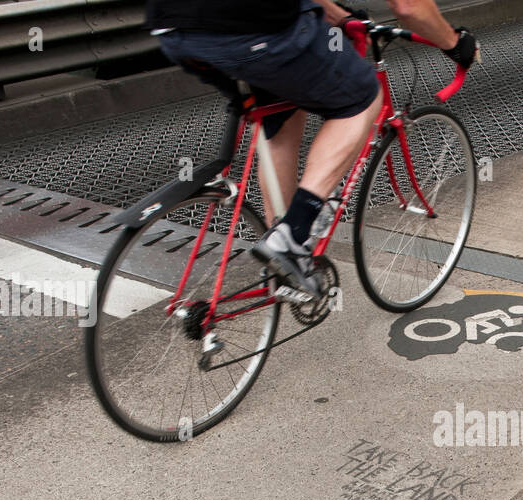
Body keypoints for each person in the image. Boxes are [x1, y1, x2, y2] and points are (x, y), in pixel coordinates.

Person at [144, 1, 479, 295]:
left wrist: (338, 16)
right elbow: (409, 7)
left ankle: (283, 258)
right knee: (363, 100)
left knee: (284, 115)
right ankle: (290, 238)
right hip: (252, 26)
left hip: (173, 28)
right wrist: (455, 43)